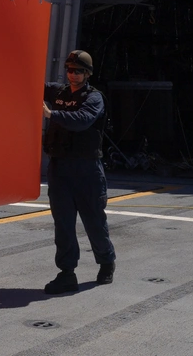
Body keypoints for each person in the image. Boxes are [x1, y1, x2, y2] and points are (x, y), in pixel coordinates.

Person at [41, 50, 117, 294]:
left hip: (87, 170)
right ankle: (67, 273)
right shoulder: (58, 92)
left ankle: (106, 261)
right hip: (60, 168)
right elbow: (32, 85)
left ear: (88, 74)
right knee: (63, 224)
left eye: (79, 71)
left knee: (94, 221)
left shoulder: (94, 98)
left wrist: (51, 114)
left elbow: (82, 120)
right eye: (70, 70)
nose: (73, 75)